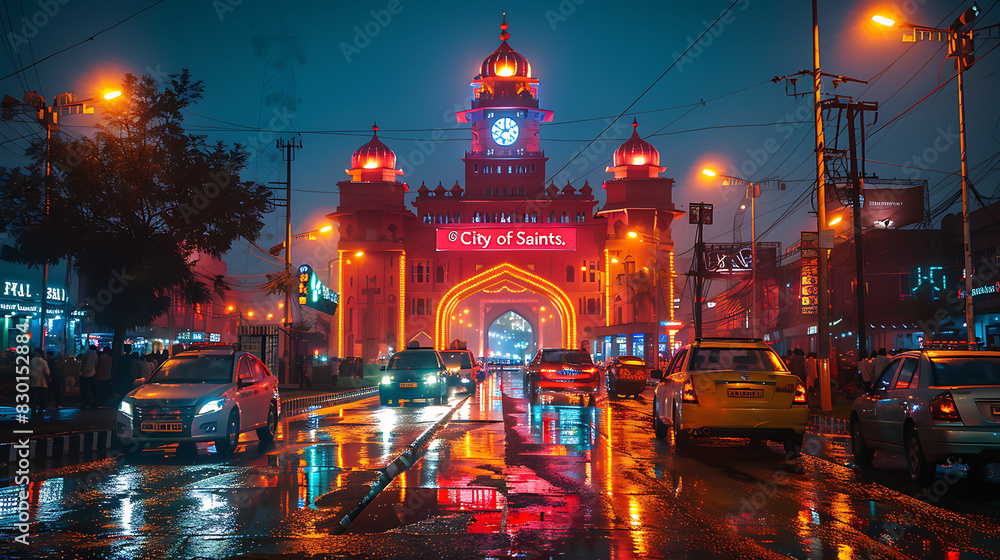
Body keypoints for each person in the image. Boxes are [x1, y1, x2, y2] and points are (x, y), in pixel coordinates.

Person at [28, 348, 49, 421]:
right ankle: (40, 411)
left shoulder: (32, 361)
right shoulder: (44, 362)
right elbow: (47, 372)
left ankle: (33, 411)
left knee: (34, 398)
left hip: (33, 383)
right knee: (41, 398)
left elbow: (28, 372)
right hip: (43, 383)